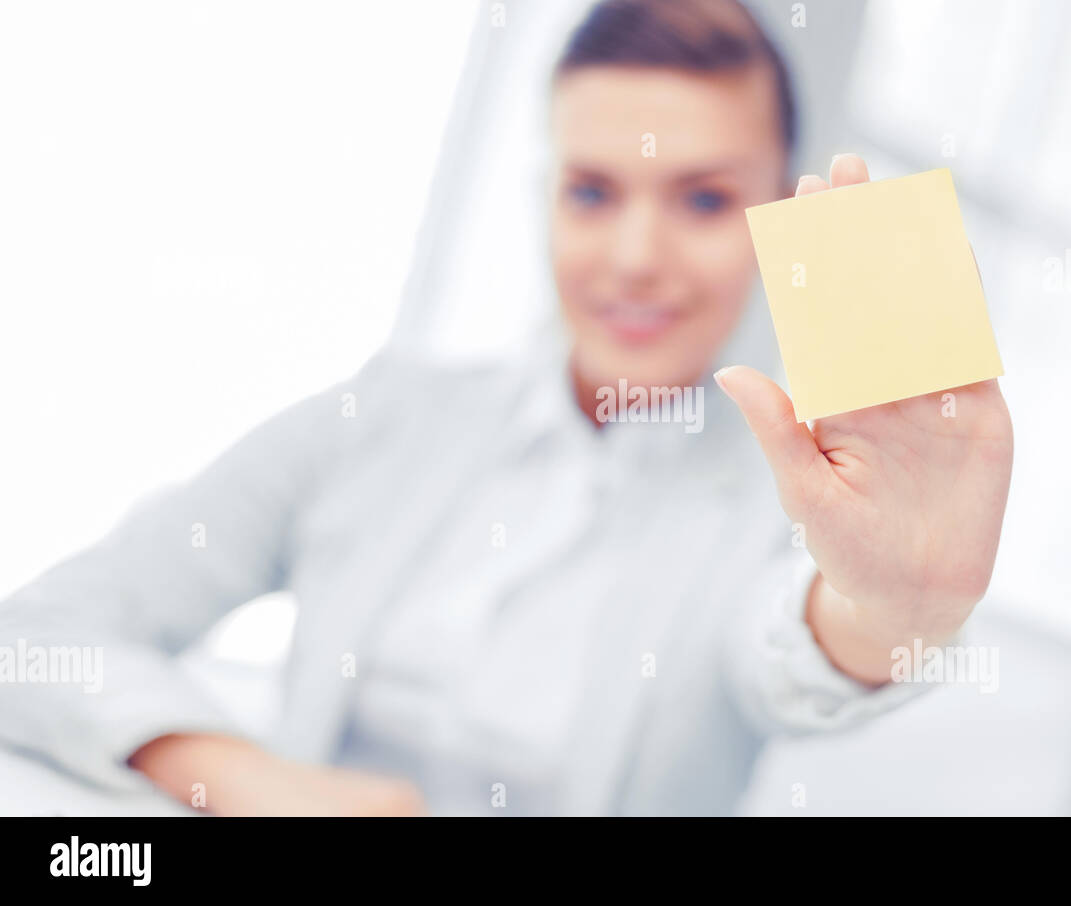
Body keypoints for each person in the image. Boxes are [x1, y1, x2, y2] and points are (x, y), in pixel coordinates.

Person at [0, 0, 1012, 816]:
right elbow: (38, 634)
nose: (633, 258)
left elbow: (792, 645)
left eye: (702, 200)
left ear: (769, 224)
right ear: (544, 198)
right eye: (592, 192)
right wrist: (242, 775)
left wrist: (889, 611)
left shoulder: (787, 502)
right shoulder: (387, 416)